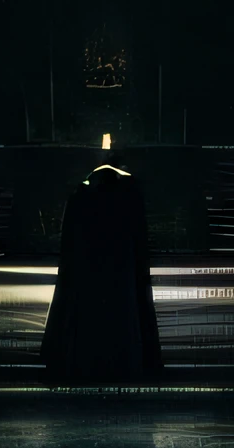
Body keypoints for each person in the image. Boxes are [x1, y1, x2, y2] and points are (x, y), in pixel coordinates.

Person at [40, 162, 161, 380]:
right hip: (122, 288)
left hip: (87, 288)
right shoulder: (130, 199)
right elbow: (140, 254)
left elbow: (68, 255)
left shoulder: (79, 198)